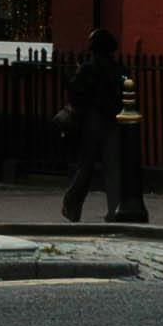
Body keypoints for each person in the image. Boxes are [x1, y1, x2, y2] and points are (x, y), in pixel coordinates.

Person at [60, 26, 130, 224]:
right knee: (113, 167)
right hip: (114, 120)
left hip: (93, 119)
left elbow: (75, 91)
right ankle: (115, 209)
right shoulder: (119, 70)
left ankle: (72, 205)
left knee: (86, 166)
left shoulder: (88, 68)